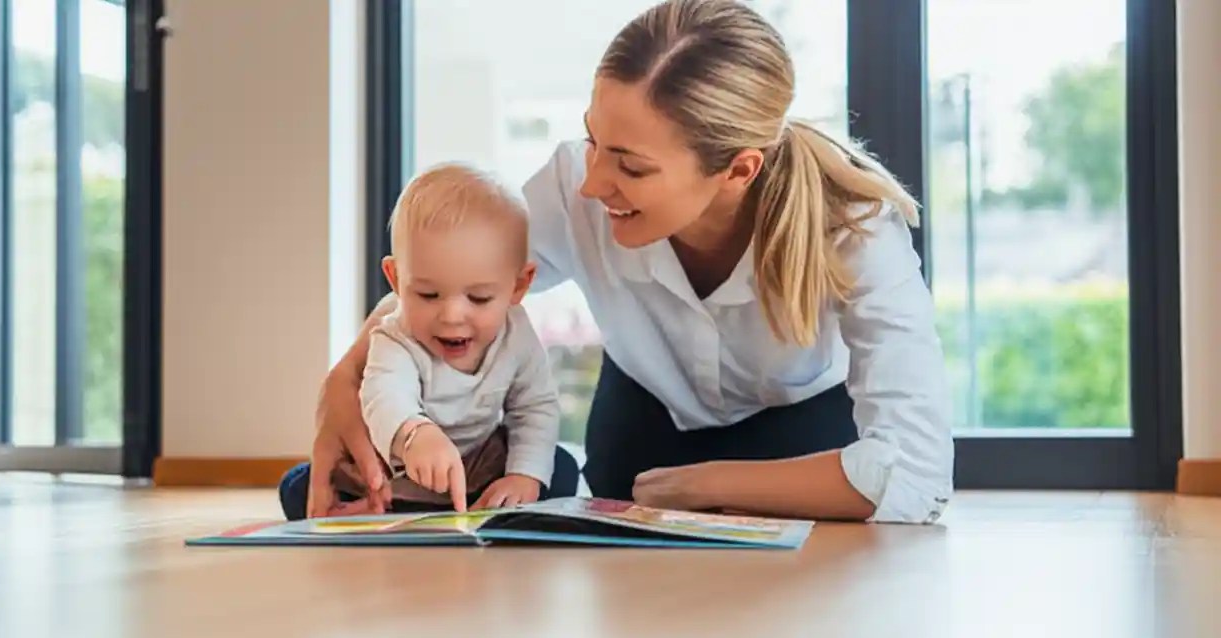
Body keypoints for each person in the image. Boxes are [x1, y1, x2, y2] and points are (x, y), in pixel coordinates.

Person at [301, 0, 953, 524]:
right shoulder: (571, 187)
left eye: (631, 166)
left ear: (737, 170)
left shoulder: (854, 226)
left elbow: (917, 474)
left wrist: (711, 485)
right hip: (641, 439)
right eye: (593, 141)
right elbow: (456, 287)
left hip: (801, 445)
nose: (591, 183)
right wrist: (346, 378)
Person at [278, 164, 577, 520]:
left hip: (478, 463)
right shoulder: (395, 333)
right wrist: (412, 435)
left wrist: (522, 475)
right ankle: (393, 503)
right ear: (395, 278)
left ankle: (474, 500)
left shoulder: (519, 336)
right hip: (398, 468)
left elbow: (535, 406)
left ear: (518, 285)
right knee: (300, 490)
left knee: (559, 469)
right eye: (427, 294)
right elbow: (384, 393)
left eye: (479, 298)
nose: (451, 315)